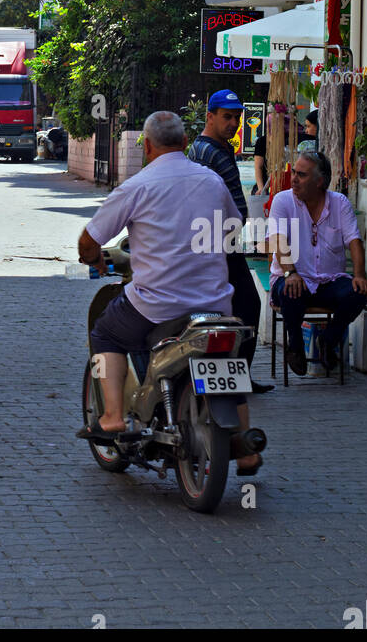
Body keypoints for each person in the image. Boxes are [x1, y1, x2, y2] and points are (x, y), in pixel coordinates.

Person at [78, 111, 262, 475]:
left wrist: (96, 259)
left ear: (146, 146)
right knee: (227, 363)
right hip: (215, 304)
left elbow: (88, 241)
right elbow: (232, 229)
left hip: (156, 305)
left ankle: (113, 417)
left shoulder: (137, 186)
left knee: (106, 331)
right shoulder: (211, 180)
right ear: (183, 142)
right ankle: (246, 451)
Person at [186, 89, 272, 394]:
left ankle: (233, 375)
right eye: (227, 117)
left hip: (223, 244)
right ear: (210, 116)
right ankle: (235, 377)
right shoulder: (208, 151)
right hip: (218, 245)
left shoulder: (215, 148)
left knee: (237, 309)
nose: (234, 123)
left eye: (236, 117)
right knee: (246, 307)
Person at [269, 150, 367, 375]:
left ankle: (329, 340)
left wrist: (360, 275)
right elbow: (277, 239)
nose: (294, 178)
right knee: (290, 290)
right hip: (292, 278)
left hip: (328, 281)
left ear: (319, 181)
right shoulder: (282, 200)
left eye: (301, 175)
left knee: (359, 292)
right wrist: (290, 273)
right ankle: (295, 345)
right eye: (294, 172)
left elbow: (354, 240)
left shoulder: (339, 202)